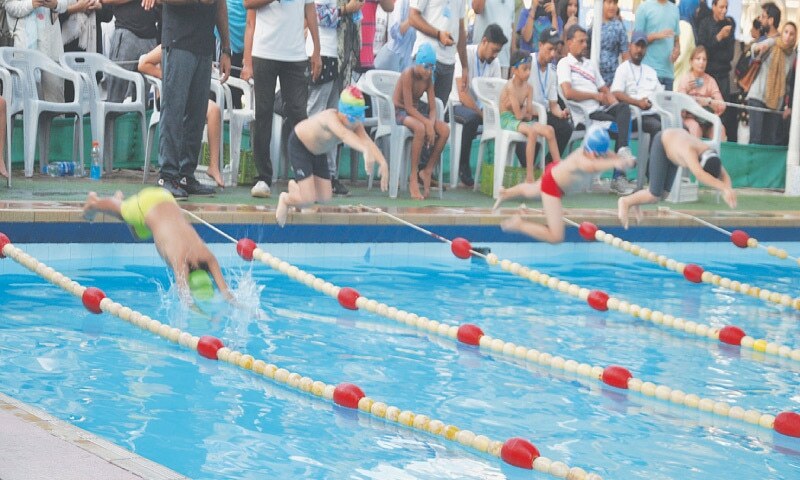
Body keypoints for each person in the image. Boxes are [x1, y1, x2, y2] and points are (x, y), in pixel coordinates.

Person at [142, 0, 231, 199]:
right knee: (174, 109)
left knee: (198, 114)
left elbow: (220, 4)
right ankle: (167, 176)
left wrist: (226, 48)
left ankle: (185, 175)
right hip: (178, 41)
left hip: (204, 46)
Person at [82, 187, 231, 301]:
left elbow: (228, 296)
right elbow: (186, 299)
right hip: (145, 205)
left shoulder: (207, 255)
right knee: (125, 214)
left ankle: (118, 201)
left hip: (167, 198)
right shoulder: (181, 259)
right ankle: (94, 202)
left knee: (139, 234)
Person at [493, 125, 634, 244]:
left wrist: (627, 160)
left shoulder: (600, 152)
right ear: (587, 148)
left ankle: (506, 193)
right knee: (556, 237)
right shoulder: (581, 158)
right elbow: (592, 166)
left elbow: (614, 157)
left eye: (600, 154)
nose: (597, 156)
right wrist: (616, 162)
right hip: (553, 185)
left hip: (557, 171)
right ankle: (519, 224)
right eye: (594, 154)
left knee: (531, 190)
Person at [275, 86, 389, 226]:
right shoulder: (330, 118)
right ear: (342, 112)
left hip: (318, 152)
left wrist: (383, 162)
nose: (356, 122)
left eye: (359, 117)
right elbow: (345, 135)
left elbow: (367, 141)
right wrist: (365, 151)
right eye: (353, 117)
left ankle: (296, 188)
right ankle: (286, 198)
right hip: (300, 146)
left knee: (324, 197)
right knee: (308, 200)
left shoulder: (354, 123)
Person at [242, 0, 321, 199]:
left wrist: (316, 51)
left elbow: (310, 10)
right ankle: (263, 177)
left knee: (298, 114)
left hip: (295, 55)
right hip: (264, 53)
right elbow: (247, 4)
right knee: (263, 113)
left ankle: (304, 175)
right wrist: (247, 61)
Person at [557, 24, 635, 195]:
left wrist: (612, 101)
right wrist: (594, 96)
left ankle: (622, 154)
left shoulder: (590, 65)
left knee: (624, 110)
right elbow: (568, 93)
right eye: (581, 41)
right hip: (586, 114)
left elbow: (604, 89)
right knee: (623, 127)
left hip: (600, 110)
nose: (585, 45)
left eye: (586, 41)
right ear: (570, 43)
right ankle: (618, 178)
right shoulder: (565, 63)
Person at [138, 45, 226, 188]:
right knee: (207, 110)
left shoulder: (198, 49)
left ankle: (213, 166)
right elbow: (142, 64)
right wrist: (165, 74)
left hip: (190, 94)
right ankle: (170, 172)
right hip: (169, 95)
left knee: (214, 110)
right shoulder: (170, 45)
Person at [617, 128, 736, 229]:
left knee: (663, 195)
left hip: (674, 150)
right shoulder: (690, 152)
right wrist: (723, 188)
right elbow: (700, 175)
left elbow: (724, 175)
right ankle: (625, 202)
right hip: (662, 144)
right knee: (654, 195)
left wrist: (728, 189)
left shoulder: (710, 154)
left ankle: (635, 201)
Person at [450, 22, 506, 187]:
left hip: (481, 110)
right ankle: (463, 166)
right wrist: (484, 115)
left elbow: (497, 94)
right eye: (494, 50)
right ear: (484, 41)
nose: (495, 55)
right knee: (473, 119)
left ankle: (504, 173)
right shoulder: (464, 55)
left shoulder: (494, 63)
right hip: (456, 106)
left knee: (507, 121)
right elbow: (462, 95)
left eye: (498, 51)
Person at [393, 43, 449, 199]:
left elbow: (432, 108)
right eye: (426, 67)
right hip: (401, 111)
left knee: (444, 130)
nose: (429, 71)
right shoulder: (407, 74)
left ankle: (427, 170)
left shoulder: (428, 79)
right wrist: (426, 124)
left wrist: (431, 123)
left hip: (417, 112)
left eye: (432, 68)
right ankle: (413, 177)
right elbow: (409, 108)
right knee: (420, 128)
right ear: (418, 63)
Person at [501, 50, 561, 184]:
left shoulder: (529, 88)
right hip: (507, 119)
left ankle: (558, 174)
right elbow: (518, 115)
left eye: (529, 69)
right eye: (524, 69)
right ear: (514, 70)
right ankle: (529, 175)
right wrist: (524, 111)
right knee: (532, 131)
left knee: (550, 130)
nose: (528, 73)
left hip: (520, 120)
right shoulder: (510, 87)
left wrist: (523, 111)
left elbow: (527, 116)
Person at [5, 0, 69, 102]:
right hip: (25, 47)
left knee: (55, 97)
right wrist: (32, 4)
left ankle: (56, 118)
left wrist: (56, 4)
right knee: (26, 99)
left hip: (52, 46)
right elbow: (9, 6)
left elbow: (66, 4)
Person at [408, 0, 469, 108]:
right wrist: (438, 34)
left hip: (448, 63)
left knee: (438, 114)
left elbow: (460, 28)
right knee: (419, 112)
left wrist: (464, 66)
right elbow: (413, 17)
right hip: (426, 58)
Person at [747, 19, 797, 146]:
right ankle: (752, 166)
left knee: (769, 141)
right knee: (756, 139)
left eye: (791, 34)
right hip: (758, 96)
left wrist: (788, 106)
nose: (788, 36)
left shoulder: (793, 56)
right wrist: (759, 48)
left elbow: (788, 82)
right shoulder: (773, 42)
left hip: (776, 102)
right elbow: (754, 49)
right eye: (786, 32)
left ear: (795, 37)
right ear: (782, 32)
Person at [103, 0, 160, 104]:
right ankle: (109, 120)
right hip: (126, 33)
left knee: (142, 102)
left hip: (151, 35)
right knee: (114, 100)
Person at [696, 0, 736, 141]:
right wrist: (718, 37)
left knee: (722, 113)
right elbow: (702, 50)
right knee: (701, 112)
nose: (724, 11)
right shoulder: (705, 24)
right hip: (706, 75)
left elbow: (729, 55)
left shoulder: (729, 25)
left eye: (726, 7)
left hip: (722, 77)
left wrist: (714, 48)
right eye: (721, 7)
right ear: (713, 7)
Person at [611, 31, 663, 137]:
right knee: (657, 127)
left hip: (654, 113)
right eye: (637, 45)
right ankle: (651, 154)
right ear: (630, 46)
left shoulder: (651, 71)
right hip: (634, 115)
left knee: (680, 127)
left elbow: (661, 96)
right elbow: (616, 93)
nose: (639, 50)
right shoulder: (623, 68)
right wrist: (637, 103)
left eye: (643, 47)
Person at [676, 46, 726, 140]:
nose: (701, 62)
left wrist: (709, 102)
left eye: (704, 59)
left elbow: (722, 105)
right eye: (698, 59)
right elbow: (680, 103)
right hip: (690, 119)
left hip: (707, 120)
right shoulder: (686, 79)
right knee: (695, 128)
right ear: (691, 62)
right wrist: (687, 90)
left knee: (720, 129)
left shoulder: (710, 80)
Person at [633, 0, 680, 91]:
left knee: (666, 105)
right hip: (647, 72)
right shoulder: (644, 8)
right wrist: (656, 35)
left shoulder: (675, 9)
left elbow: (676, 40)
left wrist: (677, 51)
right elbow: (636, 41)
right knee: (647, 104)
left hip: (668, 74)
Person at [587, 0, 628, 86]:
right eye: (609, 2)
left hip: (611, 78)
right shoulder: (594, 25)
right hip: (592, 75)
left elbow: (625, 55)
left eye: (615, 3)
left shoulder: (619, 27)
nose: (612, 6)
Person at [470, 0, 514, 77]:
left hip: (504, 60)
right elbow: (477, 9)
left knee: (499, 89)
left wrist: (513, 61)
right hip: (481, 58)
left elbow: (511, 28)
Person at [373, 0, 417, 72]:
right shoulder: (402, 2)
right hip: (394, 59)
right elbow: (394, 33)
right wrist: (413, 19)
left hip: (414, 61)